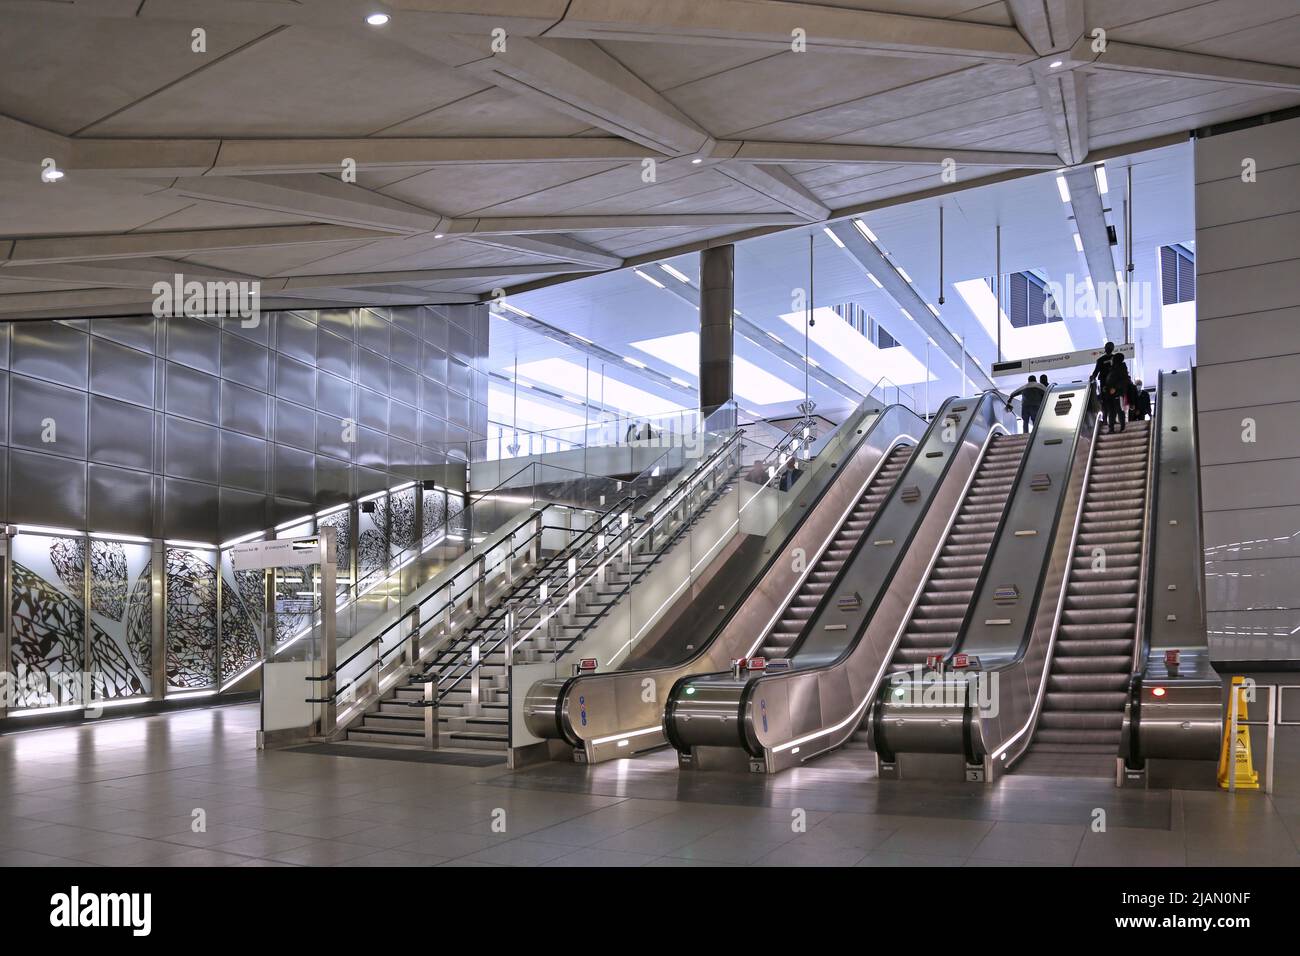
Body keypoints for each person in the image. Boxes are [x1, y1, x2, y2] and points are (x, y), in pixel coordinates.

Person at [1102, 351, 1130, 433]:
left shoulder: (1121, 368)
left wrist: (1115, 388)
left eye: (1113, 359)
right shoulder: (1113, 368)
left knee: (1119, 410)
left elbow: (1124, 380)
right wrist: (1106, 388)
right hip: (1110, 394)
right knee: (1111, 411)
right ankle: (1111, 429)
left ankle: (1123, 427)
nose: (1111, 360)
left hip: (1118, 393)